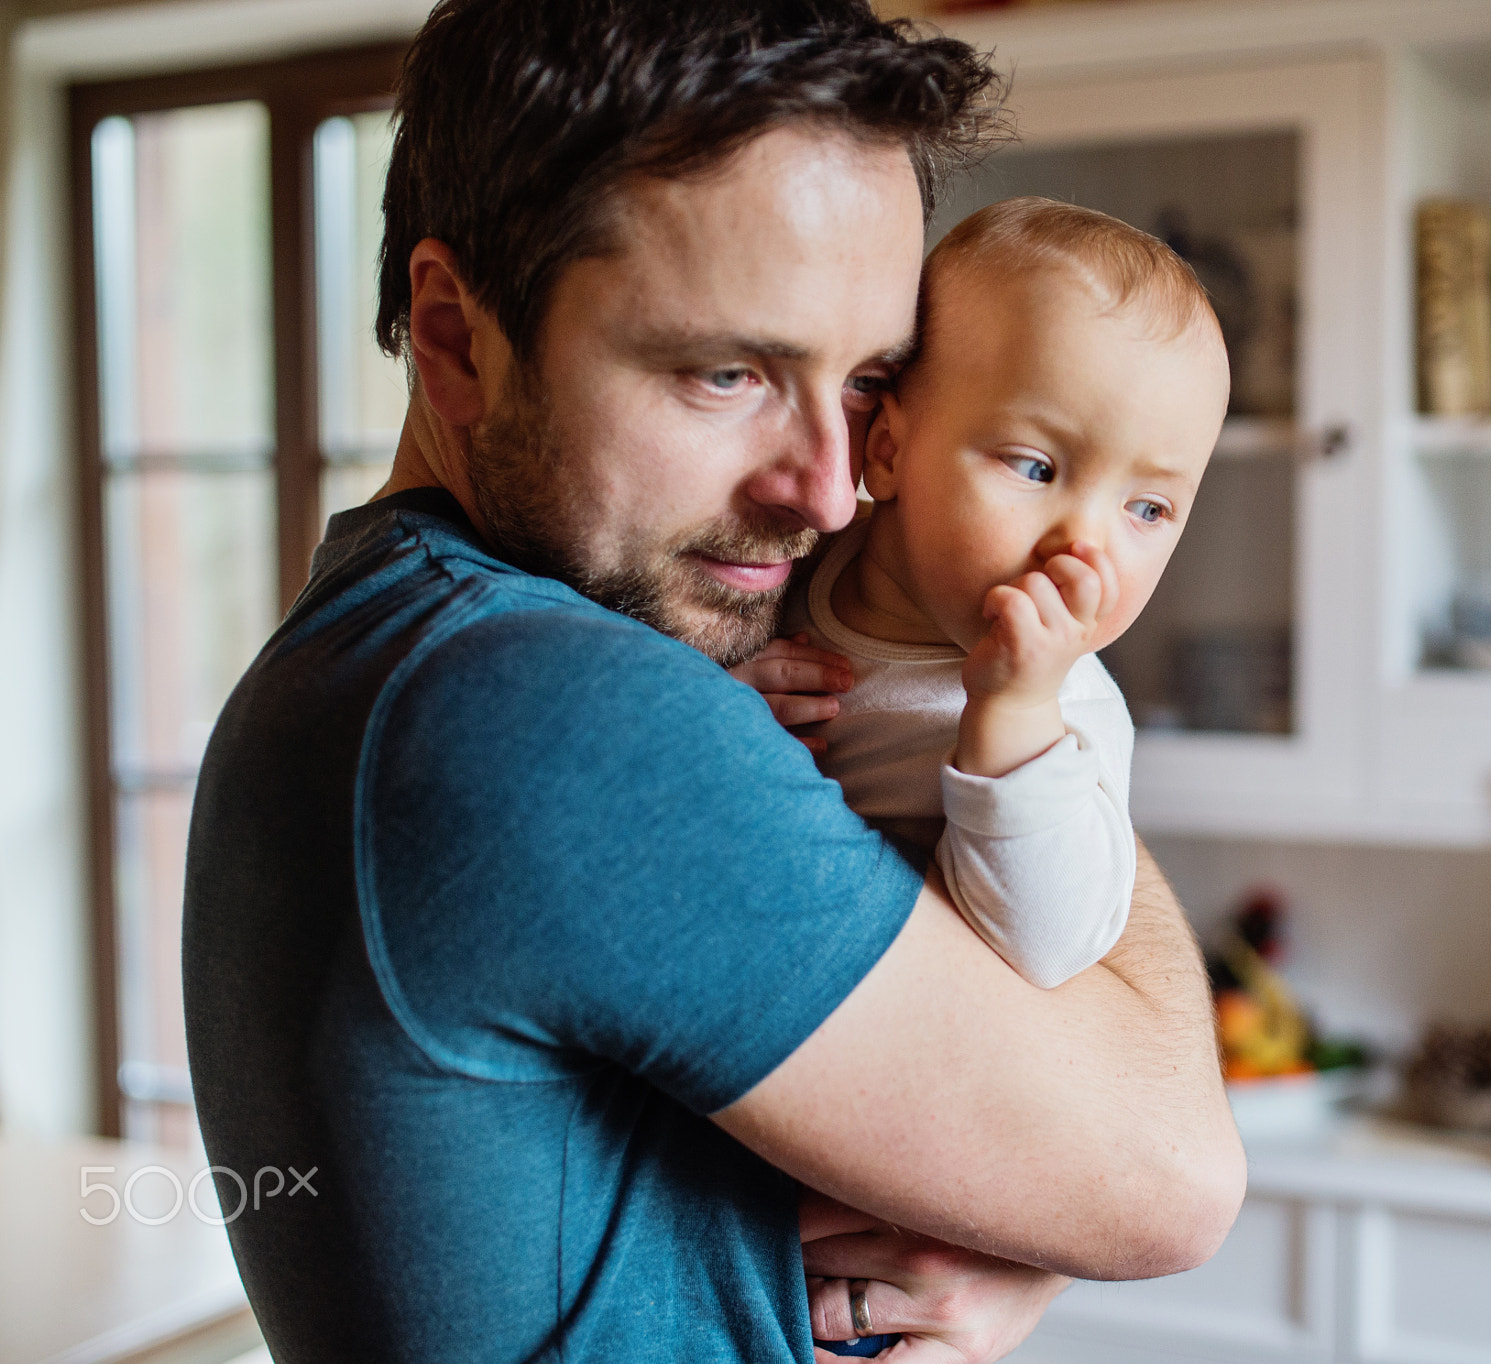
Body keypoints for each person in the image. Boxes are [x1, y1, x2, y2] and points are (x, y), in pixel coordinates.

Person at [180, 3, 1245, 1362]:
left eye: (866, 381)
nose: (823, 486)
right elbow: (1171, 1182)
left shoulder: (368, 642)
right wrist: (1036, 720)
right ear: (454, 337)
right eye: (726, 372)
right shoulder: (551, 710)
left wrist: (999, 1229)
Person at [737, 198, 1228, 991]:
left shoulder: (1068, 718)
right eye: (1036, 468)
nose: (1085, 544)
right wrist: (724, 706)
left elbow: (1049, 944)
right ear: (890, 451)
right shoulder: (795, 560)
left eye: (1148, 508)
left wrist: (1014, 716)